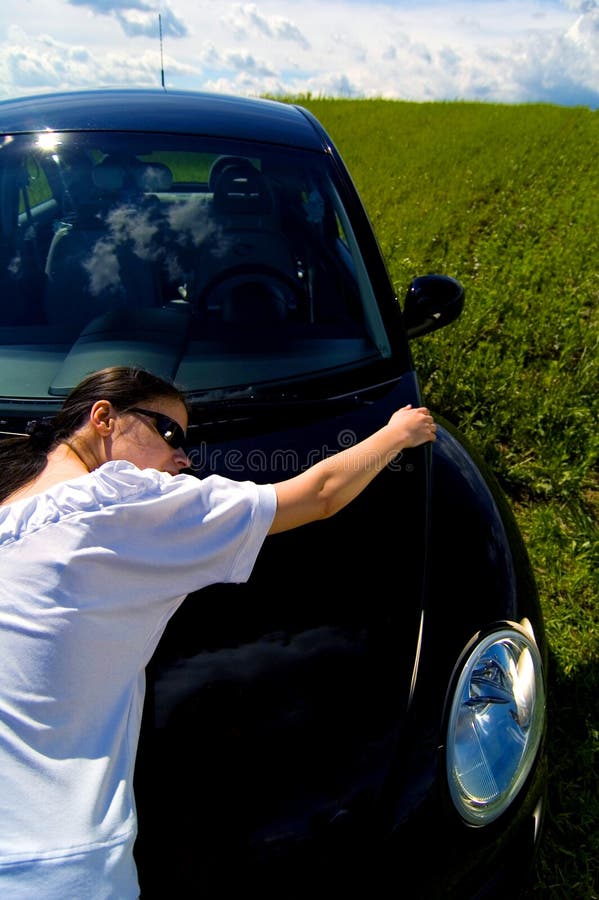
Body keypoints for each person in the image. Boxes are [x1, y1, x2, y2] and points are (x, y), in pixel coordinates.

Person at [0, 365, 436, 899]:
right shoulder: (128, 502)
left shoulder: (9, 505)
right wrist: (400, 431)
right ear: (104, 418)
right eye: (171, 434)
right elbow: (319, 493)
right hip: (57, 869)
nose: (184, 458)